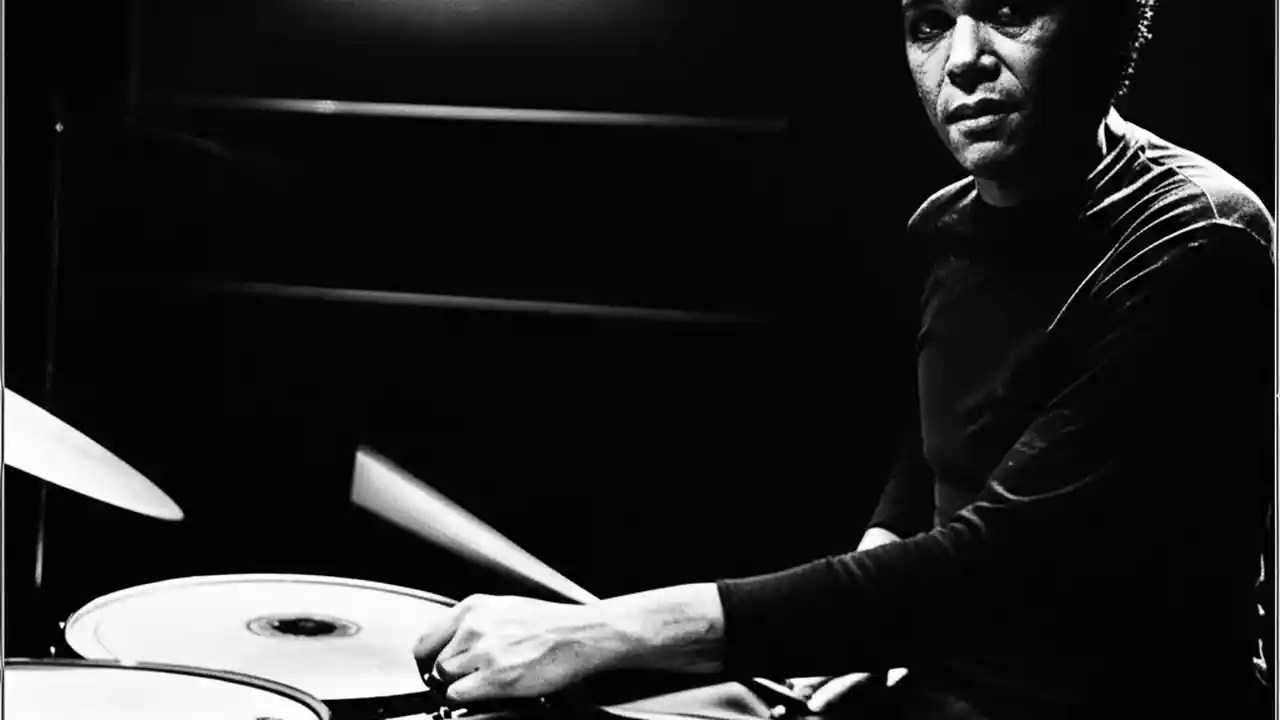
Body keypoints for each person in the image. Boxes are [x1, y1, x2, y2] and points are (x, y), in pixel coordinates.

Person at [413, 1, 1275, 718]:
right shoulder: (945, 227)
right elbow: (939, 441)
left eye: (1010, 11)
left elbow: (1002, 564)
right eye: (929, 24)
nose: (963, 60)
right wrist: (873, 600)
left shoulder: (1198, 242)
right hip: (947, 677)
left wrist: (606, 632)